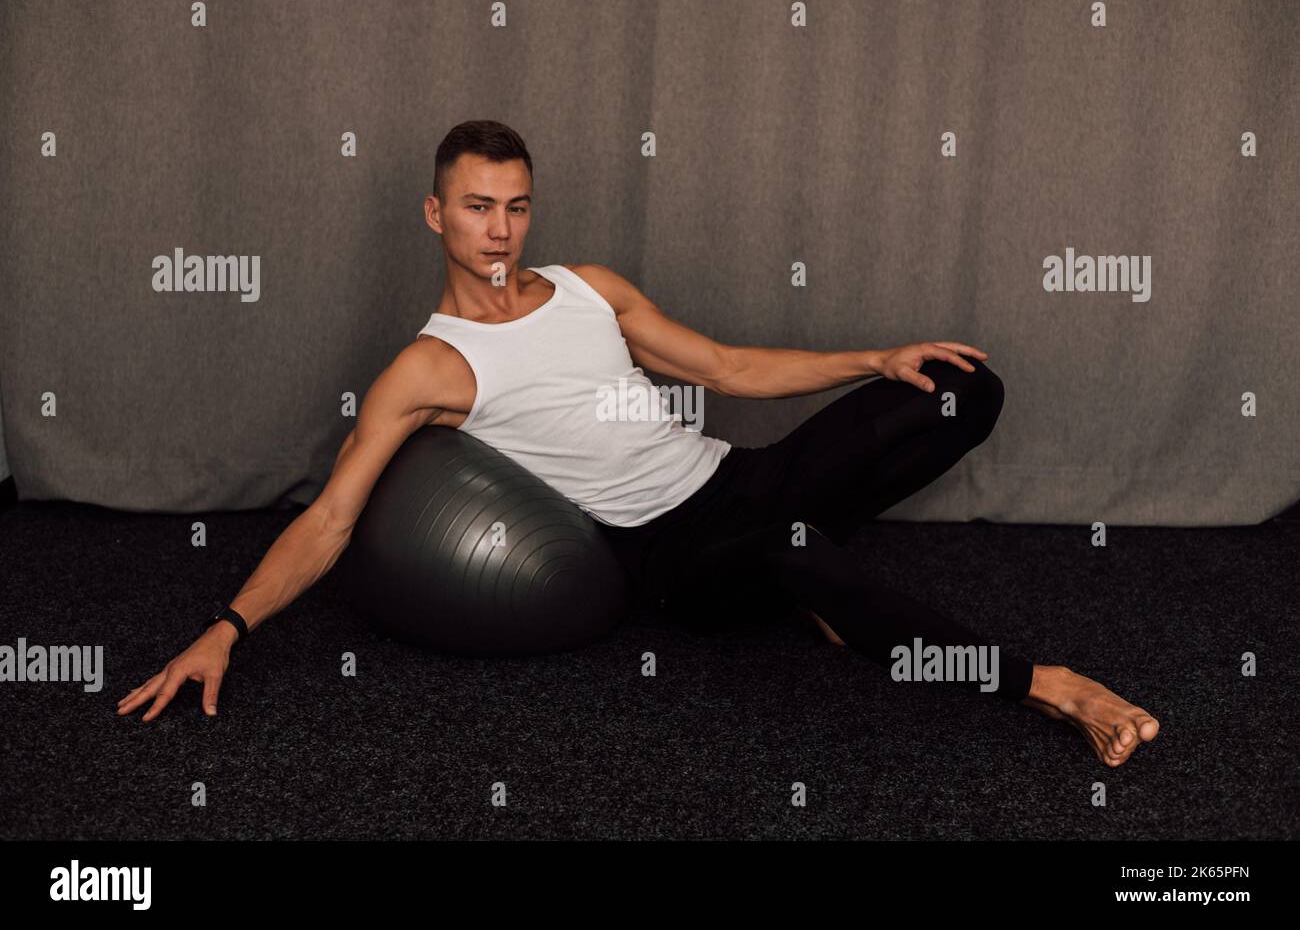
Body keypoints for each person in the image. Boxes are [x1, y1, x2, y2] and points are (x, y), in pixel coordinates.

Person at [118, 120, 1160, 768]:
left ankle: (822, 588)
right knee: (790, 550)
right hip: (668, 553)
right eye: (478, 207)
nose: (500, 230)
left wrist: (877, 356)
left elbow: (722, 369)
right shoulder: (427, 369)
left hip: (731, 478)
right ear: (436, 212)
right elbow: (335, 514)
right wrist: (227, 624)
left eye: (516, 207)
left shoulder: (588, 289)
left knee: (958, 391)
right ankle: (1047, 683)